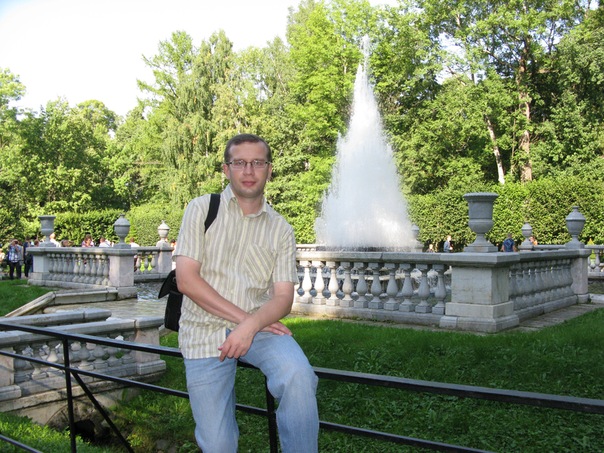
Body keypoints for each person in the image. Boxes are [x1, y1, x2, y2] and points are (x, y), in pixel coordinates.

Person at [173, 134, 319, 453]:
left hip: (259, 329)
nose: (249, 170)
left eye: (258, 163)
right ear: (226, 169)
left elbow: (283, 298)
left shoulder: (281, 229)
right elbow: (186, 280)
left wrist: (251, 326)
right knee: (219, 445)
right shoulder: (201, 208)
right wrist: (246, 323)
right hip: (204, 330)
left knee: (298, 376)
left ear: (269, 170)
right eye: (240, 162)